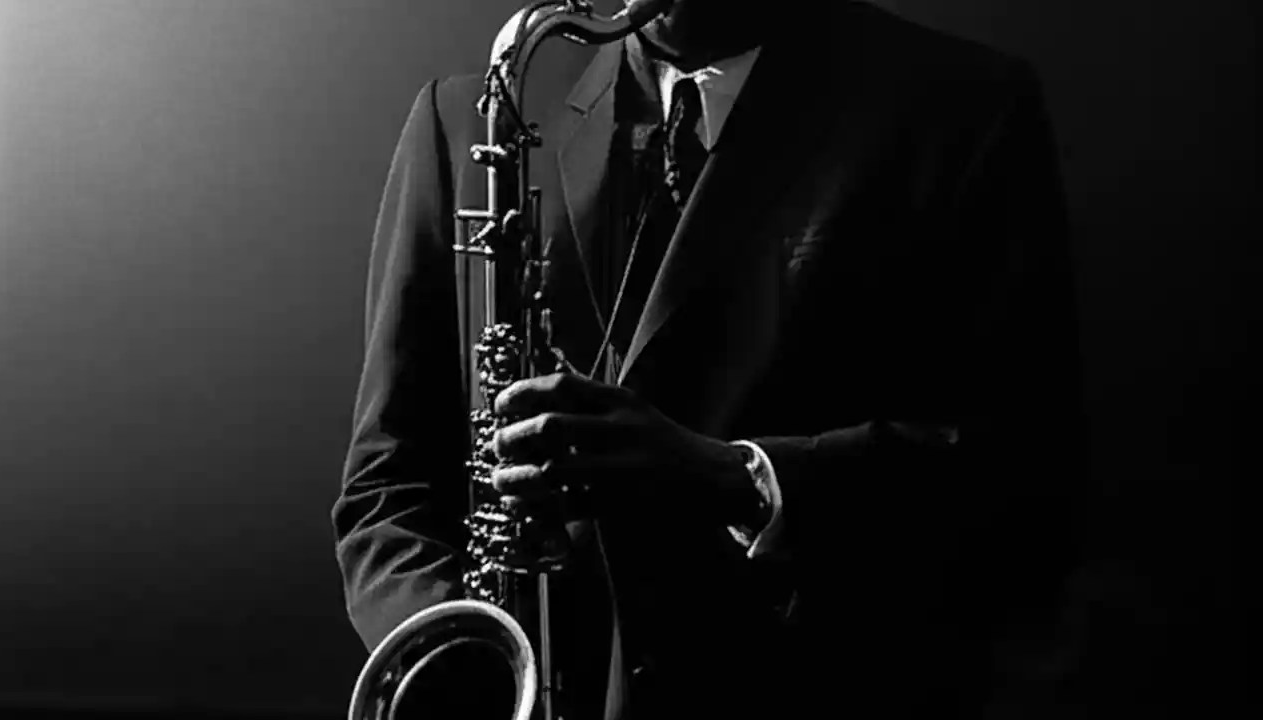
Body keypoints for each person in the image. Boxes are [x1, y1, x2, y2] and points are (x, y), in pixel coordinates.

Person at [332, 0, 1087, 717]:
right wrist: (463, 653)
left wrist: (730, 478)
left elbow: (1022, 474)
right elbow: (387, 486)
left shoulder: (961, 108)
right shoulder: (464, 116)